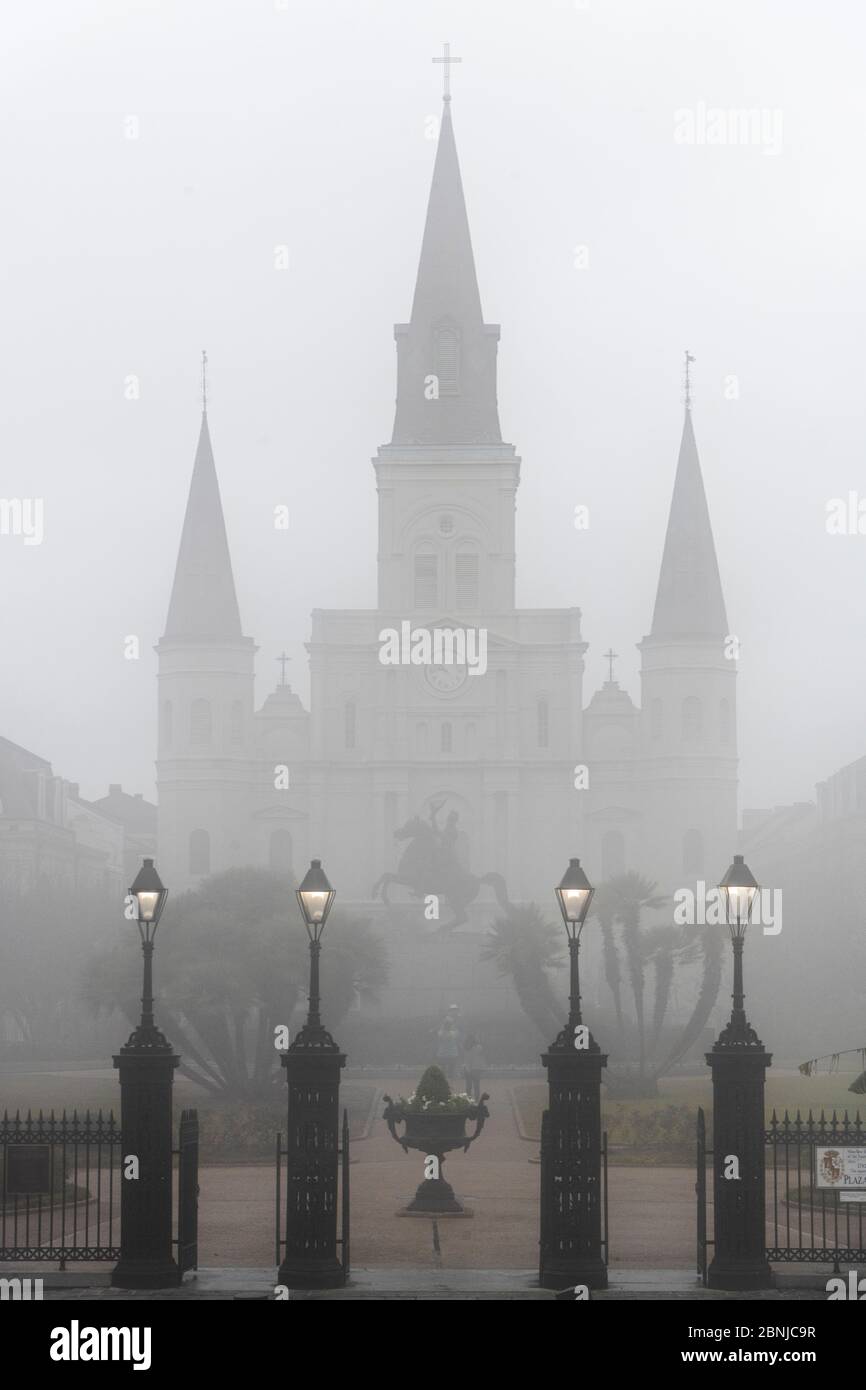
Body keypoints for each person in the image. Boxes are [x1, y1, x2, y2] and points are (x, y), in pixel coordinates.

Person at [435, 1014, 461, 1081]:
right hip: (452, 1054)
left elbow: (441, 1032)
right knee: (451, 1070)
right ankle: (450, 1081)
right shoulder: (454, 1033)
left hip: (442, 1054)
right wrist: (452, 1023)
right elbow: (456, 1031)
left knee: (443, 1069)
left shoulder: (440, 1033)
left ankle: (444, 1082)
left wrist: (444, 1023)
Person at [462, 1032, 486, 1101]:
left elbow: (465, 1058)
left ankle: (468, 1099)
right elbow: (482, 1055)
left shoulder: (465, 1048)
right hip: (476, 1068)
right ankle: (476, 1100)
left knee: (468, 1086)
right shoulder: (478, 1047)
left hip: (467, 1068)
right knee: (476, 1086)